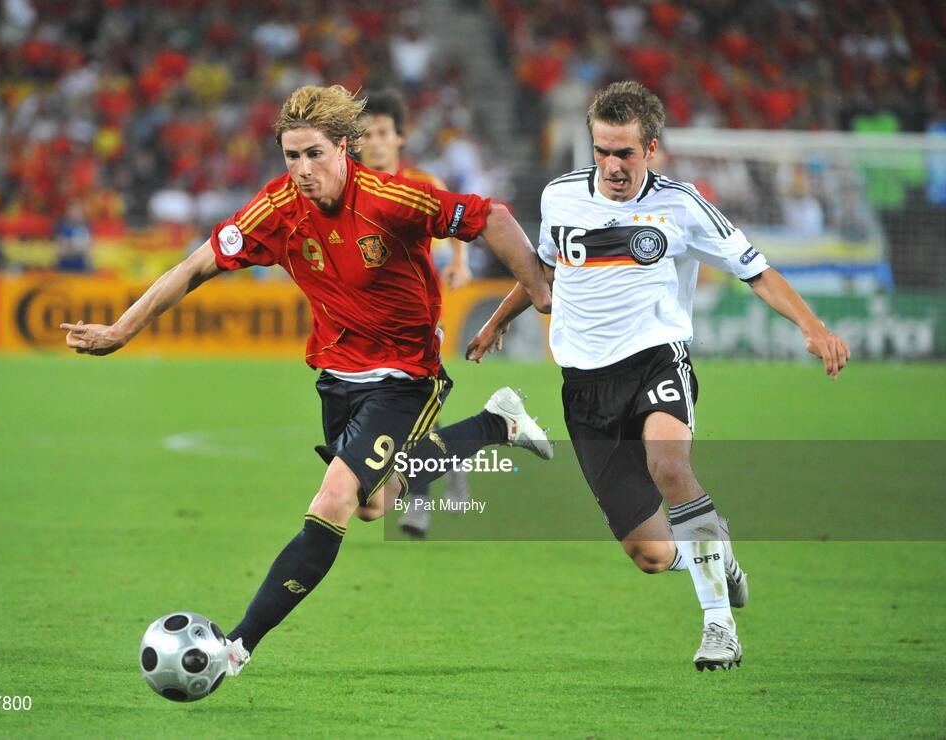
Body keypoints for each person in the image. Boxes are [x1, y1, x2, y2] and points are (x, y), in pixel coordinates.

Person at [60, 85, 553, 677]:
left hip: (404, 375)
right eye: (291, 156)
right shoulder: (276, 210)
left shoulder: (392, 198)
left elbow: (491, 217)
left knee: (335, 500)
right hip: (337, 375)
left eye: (314, 154)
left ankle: (234, 648)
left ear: (345, 148)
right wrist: (122, 329)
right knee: (375, 504)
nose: (302, 169)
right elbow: (195, 266)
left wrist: (539, 289)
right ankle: (496, 423)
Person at [466, 81, 850, 671]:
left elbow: (758, 271)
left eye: (625, 152)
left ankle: (719, 626)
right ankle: (715, 555)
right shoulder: (561, 198)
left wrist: (813, 326)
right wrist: (496, 323)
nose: (612, 165)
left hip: (654, 359)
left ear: (651, 148)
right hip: (583, 385)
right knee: (648, 552)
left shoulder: (683, 205)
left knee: (670, 466)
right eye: (602, 151)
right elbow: (544, 269)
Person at [359, 89, 472, 538]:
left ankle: (418, 502)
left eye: (383, 132)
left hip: (420, 312)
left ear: (400, 137)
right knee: (408, 409)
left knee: (406, 405)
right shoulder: (350, 188)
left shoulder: (423, 183)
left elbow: (458, 219)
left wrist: (460, 263)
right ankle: (453, 460)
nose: (375, 142)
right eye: (366, 134)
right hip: (369, 319)